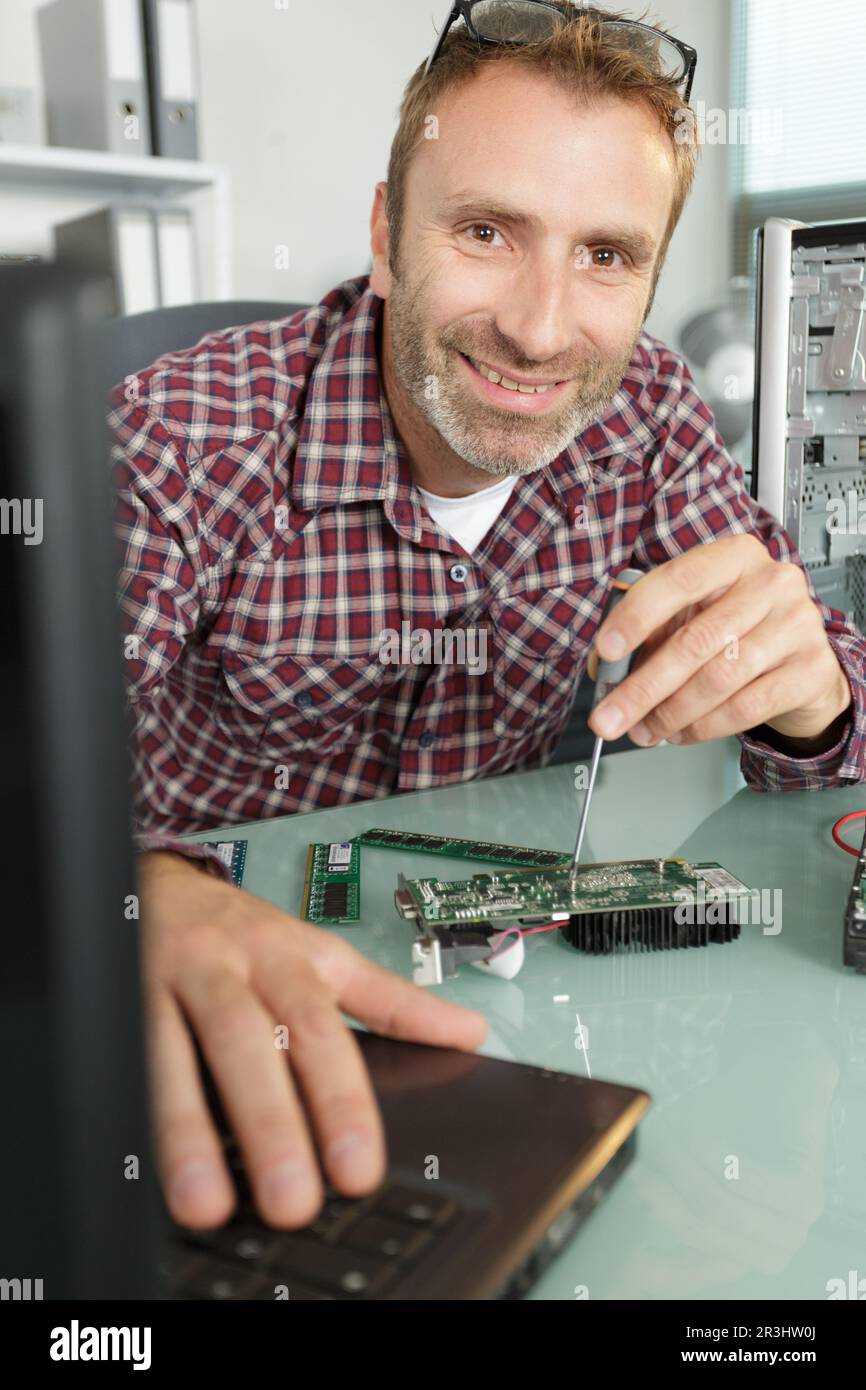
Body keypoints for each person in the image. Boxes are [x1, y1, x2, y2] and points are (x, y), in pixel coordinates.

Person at [111, 3, 864, 1234]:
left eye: (605, 256)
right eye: (484, 231)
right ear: (384, 236)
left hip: (502, 1028)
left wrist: (806, 705)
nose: (537, 326)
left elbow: (818, 716)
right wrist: (137, 894)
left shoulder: (650, 417)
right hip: (220, 1016)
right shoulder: (182, 434)